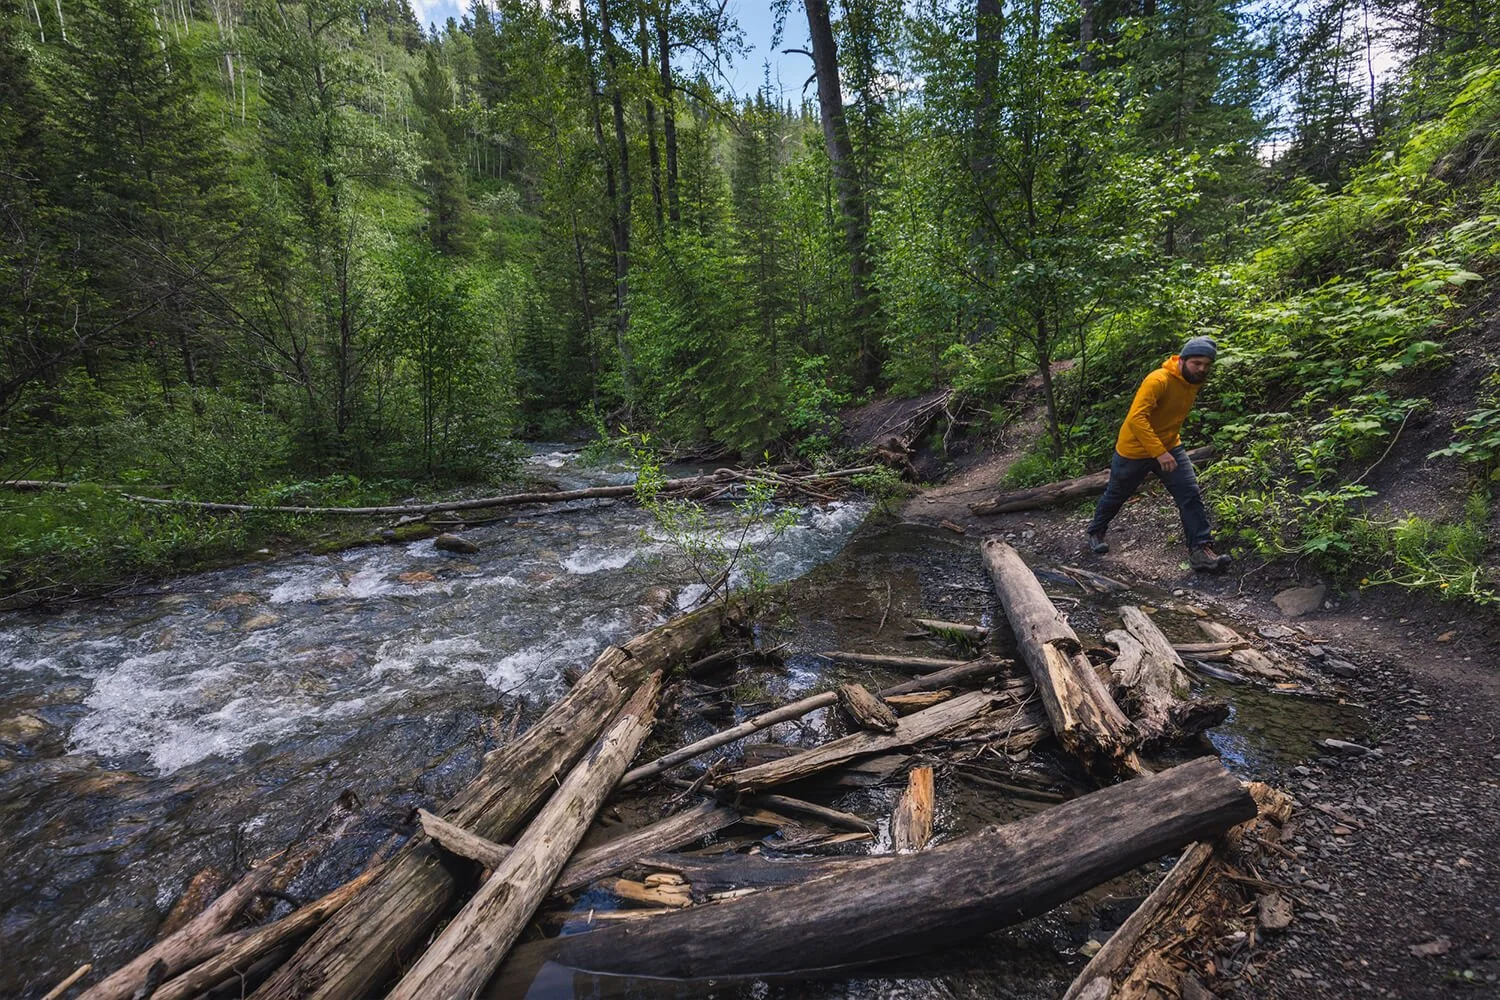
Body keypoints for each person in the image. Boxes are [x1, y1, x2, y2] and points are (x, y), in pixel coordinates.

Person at [1085, 336, 1231, 571]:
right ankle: (1096, 531)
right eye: (1196, 363)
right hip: (1134, 450)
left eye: (1206, 364)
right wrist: (1159, 452)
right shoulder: (1158, 380)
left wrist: (1165, 449)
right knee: (1117, 493)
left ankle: (1200, 550)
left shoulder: (1192, 381)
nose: (1202, 369)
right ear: (1182, 360)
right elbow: (1136, 418)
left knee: (1190, 494)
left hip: (1170, 445)